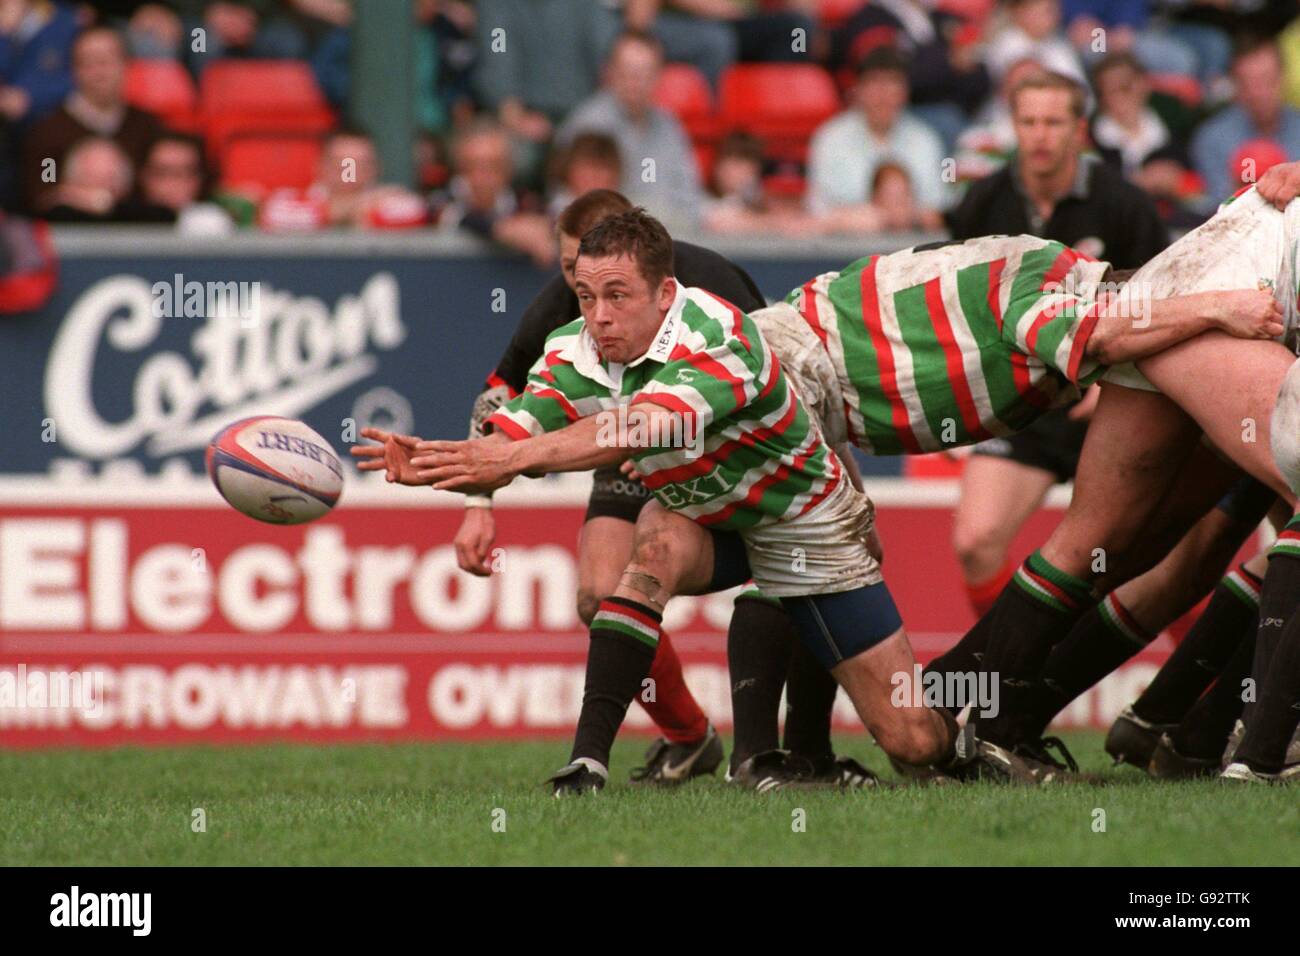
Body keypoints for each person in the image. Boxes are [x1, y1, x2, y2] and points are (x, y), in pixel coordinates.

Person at [365, 209, 997, 794]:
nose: (599, 316)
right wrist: (444, 463)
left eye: (617, 296)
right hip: (704, 511)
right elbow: (523, 424)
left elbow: (638, 428)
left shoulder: (715, 330)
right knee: (652, 548)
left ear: (665, 295)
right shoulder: (571, 349)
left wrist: (505, 459)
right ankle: (587, 762)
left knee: (913, 741)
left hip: (801, 520)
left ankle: (974, 723)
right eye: (586, 297)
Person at [451, 190, 849, 789]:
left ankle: (801, 748)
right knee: (598, 594)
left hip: (740, 444)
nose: (577, 296)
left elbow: (777, 378)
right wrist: (478, 503)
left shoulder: (711, 284)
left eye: (600, 284)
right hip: (626, 444)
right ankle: (690, 737)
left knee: (806, 569)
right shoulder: (562, 309)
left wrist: (659, 433)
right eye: (570, 276)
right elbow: (498, 402)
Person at [946, 69, 1169, 616]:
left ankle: (1185, 698)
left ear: (1080, 130)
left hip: (1112, 402)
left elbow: (1159, 306)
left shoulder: (1125, 205)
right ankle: (1004, 674)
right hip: (1024, 404)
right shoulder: (984, 202)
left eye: (1053, 121)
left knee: (1156, 570)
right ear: (1013, 127)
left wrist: (1115, 386)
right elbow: (955, 302)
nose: (1040, 134)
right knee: (975, 543)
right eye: (1028, 121)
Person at [556, 30, 703, 230]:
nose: (635, 81)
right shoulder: (585, 126)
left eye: (645, 72)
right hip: (604, 246)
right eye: (627, 71)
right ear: (608, 72)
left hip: (667, 243)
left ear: (659, 76)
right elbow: (561, 202)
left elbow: (690, 199)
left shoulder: (669, 126)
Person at [22, 25, 162, 214]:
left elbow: (159, 189)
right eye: (88, 62)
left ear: (127, 64)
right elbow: (44, 191)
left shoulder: (147, 127)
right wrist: (79, 197)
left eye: (107, 60)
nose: (99, 71)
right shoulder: (49, 132)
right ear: (73, 70)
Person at [805, 47, 950, 228]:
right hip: (845, 247)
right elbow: (818, 210)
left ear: (905, 92)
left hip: (910, 245)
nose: (883, 93)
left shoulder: (927, 140)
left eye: (892, 83)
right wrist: (856, 219)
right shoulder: (829, 139)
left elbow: (940, 208)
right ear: (857, 90)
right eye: (874, 83)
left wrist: (908, 216)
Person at [1192, 37, 1300, 212]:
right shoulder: (1212, 137)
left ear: (1282, 78)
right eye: (1248, 83)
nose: (1259, 92)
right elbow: (1217, 204)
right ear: (1235, 85)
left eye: (1267, 80)